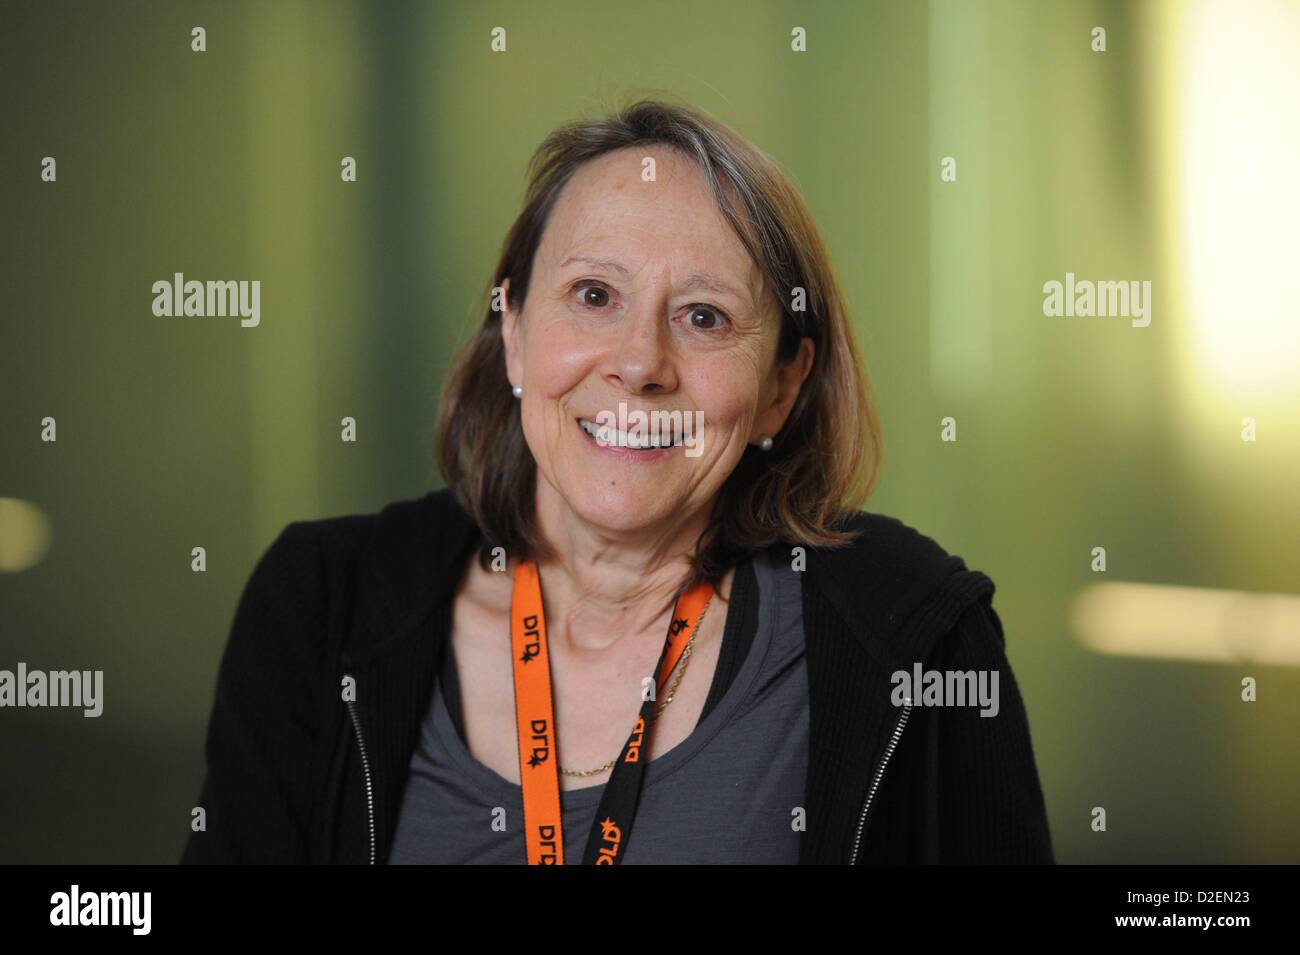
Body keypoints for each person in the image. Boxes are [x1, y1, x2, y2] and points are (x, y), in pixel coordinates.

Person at [181, 98, 1053, 865]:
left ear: (781, 387)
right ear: (514, 331)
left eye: (704, 316)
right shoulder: (319, 603)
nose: (640, 363)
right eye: (594, 295)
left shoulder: (914, 634)